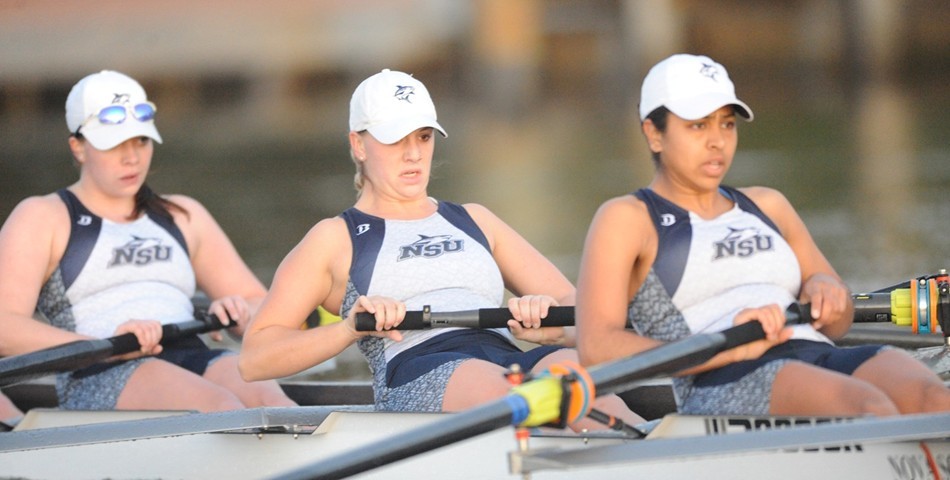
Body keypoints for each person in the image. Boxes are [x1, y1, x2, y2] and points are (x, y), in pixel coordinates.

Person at [240, 69, 642, 431]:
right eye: (396, 139)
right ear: (358, 145)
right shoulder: (334, 238)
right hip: (420, 369)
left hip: (505, 354)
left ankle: (645, 447)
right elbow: (256, 357)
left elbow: (577, 307)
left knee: (580, 377)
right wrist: (348, 329)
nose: (414, 153)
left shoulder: (475, 219)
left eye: (424, 137)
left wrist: (556, 329)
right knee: (521, 395)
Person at [575, 54, 950, 417]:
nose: (717, 141)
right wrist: (731, 349)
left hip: (813, 350)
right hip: (722, 379)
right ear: (654, 134)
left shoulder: (768, 205)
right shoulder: (627, 219)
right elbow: (596, 347)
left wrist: (826, 289)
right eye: (698, 125)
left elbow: (839, 323)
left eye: (727, 124)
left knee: (935, 400)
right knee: (871, 408)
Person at [0, 70, 296, 412]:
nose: (132, 157)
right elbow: (5, 327)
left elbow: (263, 306)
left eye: (140, 140)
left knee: (273, 403)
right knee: (220, 405)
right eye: (114, 144)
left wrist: (240, 311)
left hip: (191, 352)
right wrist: (106, 345)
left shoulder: (184, 214)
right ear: (78, 147)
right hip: (100, 367)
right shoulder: (43, 216)